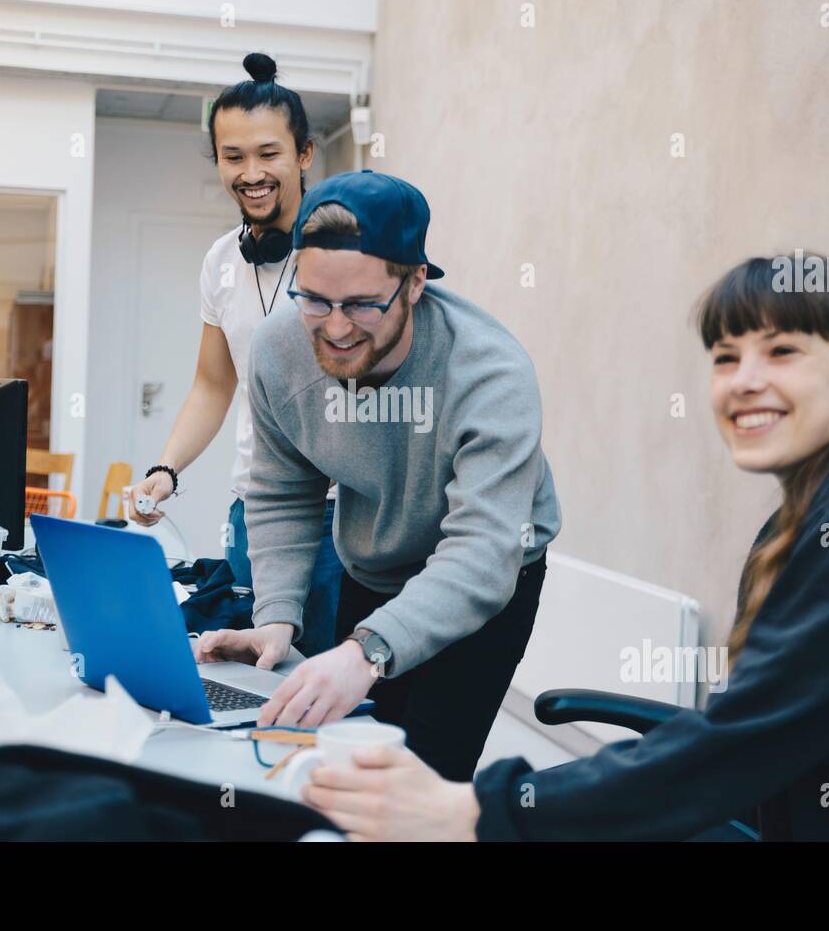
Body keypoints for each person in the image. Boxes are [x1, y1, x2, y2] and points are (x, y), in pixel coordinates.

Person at [299, 254, 829, 840]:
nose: (745, 381)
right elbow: (763, 728)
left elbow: (741, 741)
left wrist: (480, 812)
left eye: (782, 351)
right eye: (725, 355)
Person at [195, 170, 562, 781]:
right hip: (374, 563)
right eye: (314, 299)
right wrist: (276, 618)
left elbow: (480, 551)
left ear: (416, 282)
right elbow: (284, 489)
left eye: (364, 304)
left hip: (488, 574)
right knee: (351, 759)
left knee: (421, 778)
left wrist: (367, 651)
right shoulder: (279, 350)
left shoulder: (491, 373)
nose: (336, 329)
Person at [127, 52, 342, 656]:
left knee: (319, 686)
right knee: (247, 677)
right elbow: (213, 385)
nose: (251, 172)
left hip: (336, 515)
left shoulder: (345, 251)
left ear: (304, 154)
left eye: (269, 153)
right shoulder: (221, 261)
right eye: (233, 156)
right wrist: (166, 469)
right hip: (254, 505)